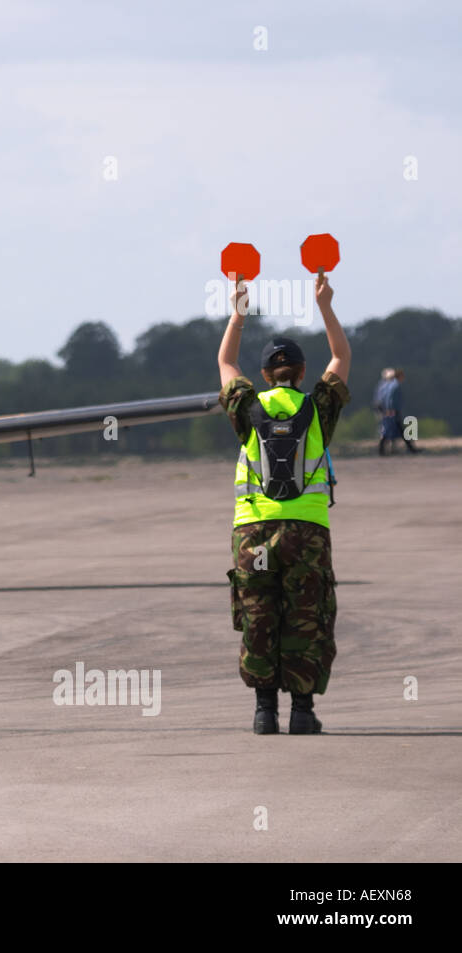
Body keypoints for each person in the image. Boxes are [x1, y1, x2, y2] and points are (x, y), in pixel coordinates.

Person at [216, 273, 351, 735]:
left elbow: (225, 360)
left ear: (264, 375)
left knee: (259, 614)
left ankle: (263, 711)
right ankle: (303, 711)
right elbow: (342, 356)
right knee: (306, 616)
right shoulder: (318, 408)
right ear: (302, 372)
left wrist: (238, 312)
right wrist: (325, 306)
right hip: (307, 532)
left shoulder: (246, 407)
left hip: (253, 530)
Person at [391, 369, 421, 454]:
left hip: (393, 410)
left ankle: (409, 448)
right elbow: (391, 400)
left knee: (396, 430)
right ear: (399, 377)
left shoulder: (392, 385)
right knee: (398, 430)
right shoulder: (395, 386)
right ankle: (411, 448)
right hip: (394, 411)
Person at [373, 368, 397, 456]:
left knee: (387, 429)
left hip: (385, 410)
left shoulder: (383, 386)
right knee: (386, 429)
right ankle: (384, 450)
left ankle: (388, 449)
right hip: (384, 410)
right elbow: (380, 401)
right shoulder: (385, 386)